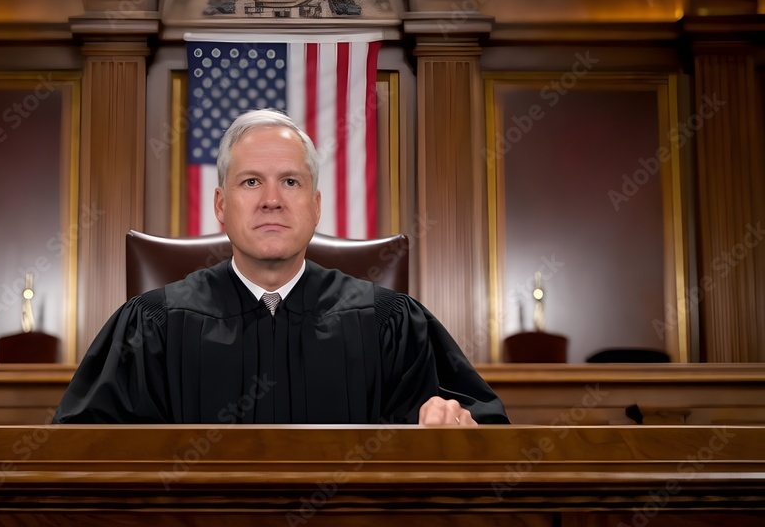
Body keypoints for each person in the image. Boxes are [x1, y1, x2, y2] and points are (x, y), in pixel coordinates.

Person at [54, 109, 508, 425]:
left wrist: (453, 423)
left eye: (290, 181)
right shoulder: (153, 326)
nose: (271, 199)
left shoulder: (390, 323)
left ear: (315, 207)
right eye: (251, 182)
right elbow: (82, 451)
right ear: (220, 205)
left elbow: (479, 426)